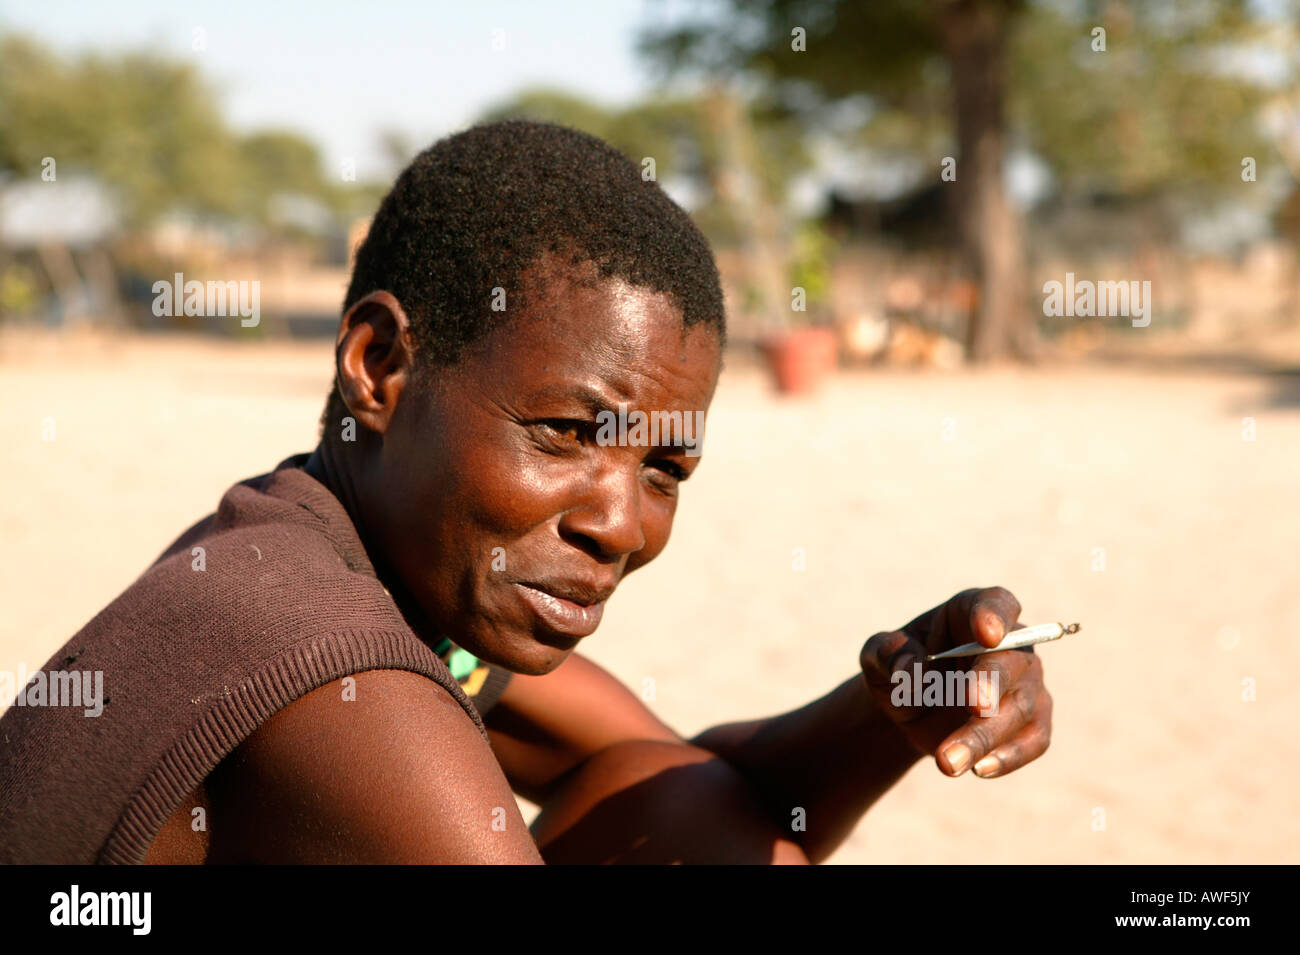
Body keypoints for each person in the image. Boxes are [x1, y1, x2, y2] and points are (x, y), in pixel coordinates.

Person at [0, 120, 1052, 864]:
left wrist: (897, 708)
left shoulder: (321, 548)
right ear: (379, 368)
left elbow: (691, 787)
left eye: (664, 468)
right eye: (562, 432)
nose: (616, 523)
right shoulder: (341, 690)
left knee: (689, 808)